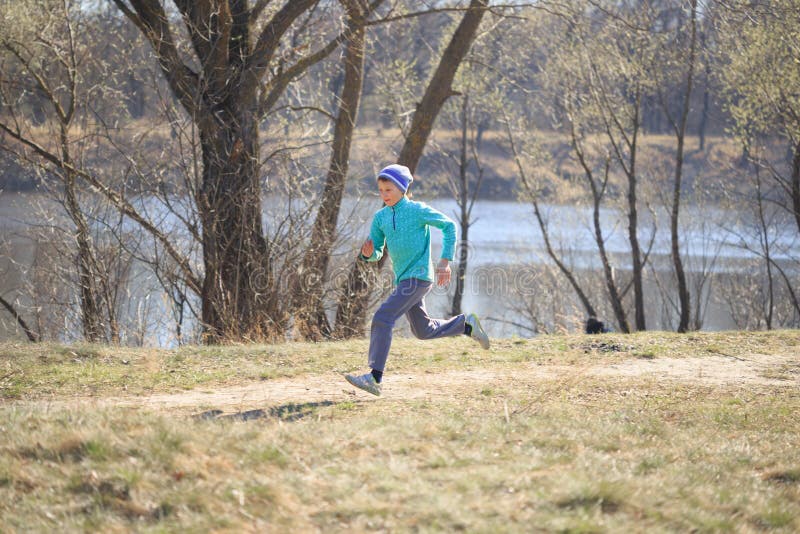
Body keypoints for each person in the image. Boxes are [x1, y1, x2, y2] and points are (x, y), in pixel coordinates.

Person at [344, 164, 490, 396]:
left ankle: (374, 377)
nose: (384, 195)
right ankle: (466, 324)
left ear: (402, 189)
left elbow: (449, 226)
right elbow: (377, 253)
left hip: (419, 276)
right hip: (403, 279)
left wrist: (444, 261)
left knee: (383, 316)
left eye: (388, 190)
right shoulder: (380, 217)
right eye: (381, 190)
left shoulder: (417, 210)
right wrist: (367, 253)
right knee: (422, 331)